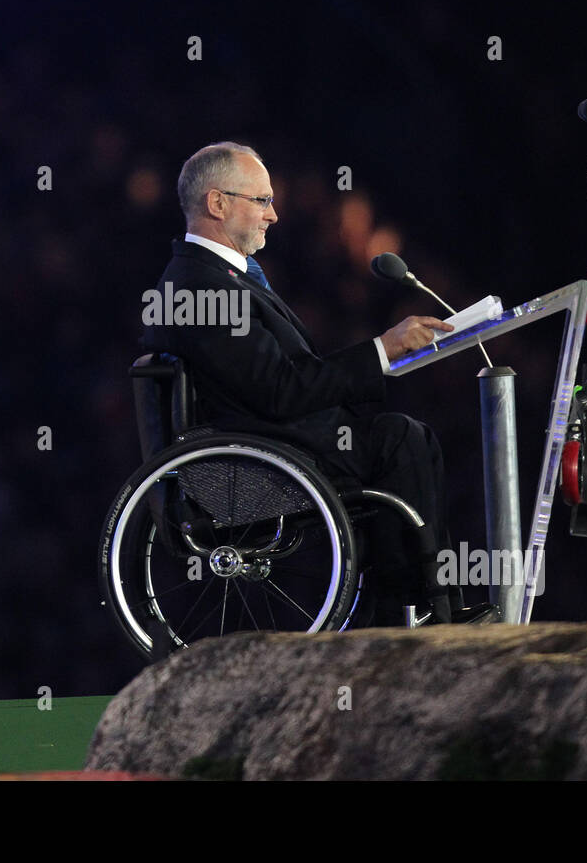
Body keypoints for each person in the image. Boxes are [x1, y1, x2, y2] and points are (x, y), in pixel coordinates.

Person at [142, 141, 466, 625]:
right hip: (254, 461)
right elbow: (278, 389)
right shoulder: (201, 286)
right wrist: (382, 350)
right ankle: (415, 610)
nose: (273, 215)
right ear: (217, 203)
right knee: (400, 439)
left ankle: (416, 608)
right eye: (262, 201)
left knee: (404, 436)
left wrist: (384, 357)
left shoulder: (221, 278)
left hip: (275, 444)